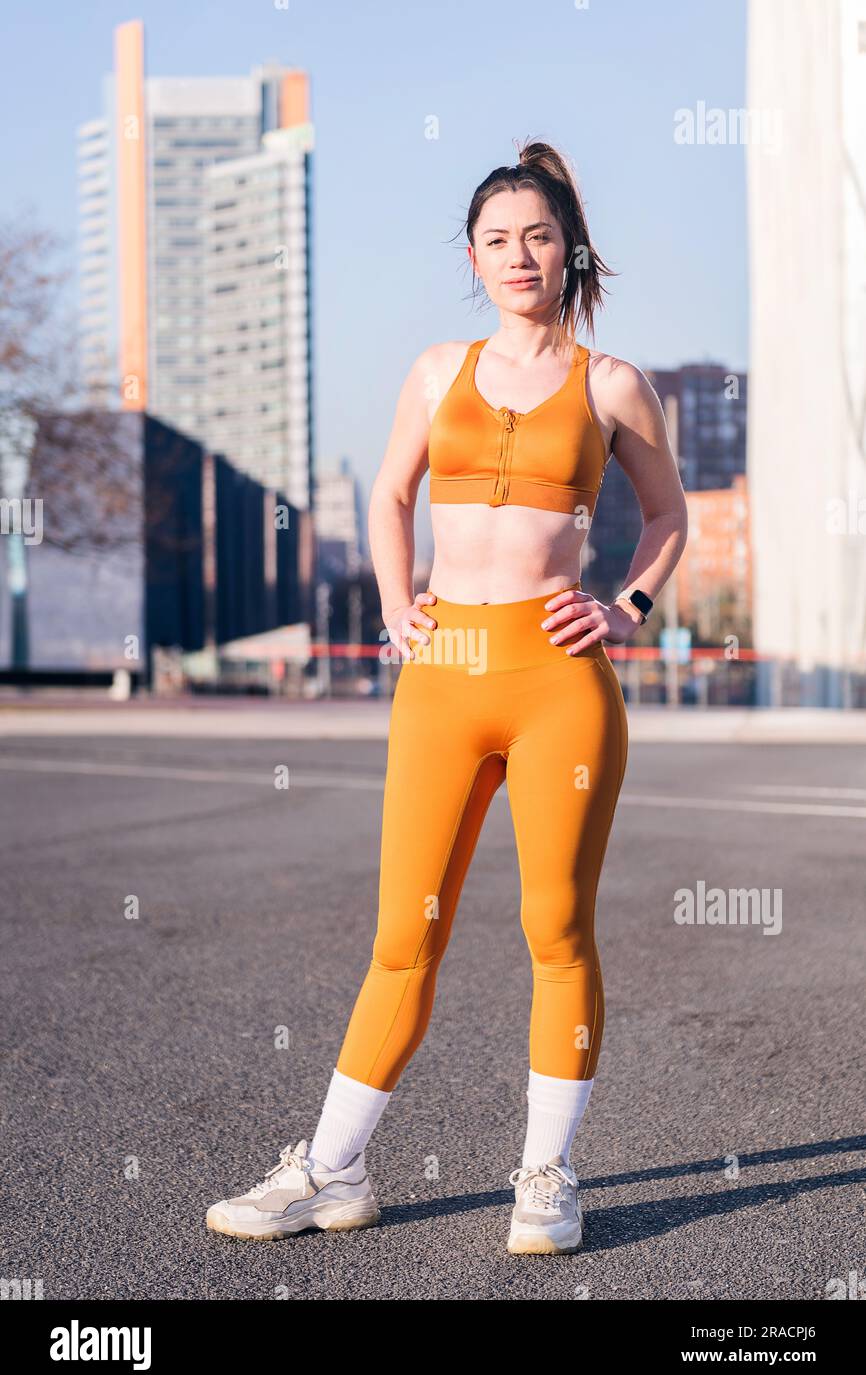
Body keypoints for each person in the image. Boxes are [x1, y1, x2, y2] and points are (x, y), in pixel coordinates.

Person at [207, 139, 688, 1254]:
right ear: (470, 257)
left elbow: (668, 517)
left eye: (536, 236)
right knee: (401, 934)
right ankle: (331, 1170)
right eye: (494, 240)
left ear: (570, 250)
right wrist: (393, 607)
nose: (516, 256)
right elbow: (387, 493)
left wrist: (628, 606)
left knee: (554, 928)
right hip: (441, 678)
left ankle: (546, 1175)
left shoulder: (611, 383)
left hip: (557, 678)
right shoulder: (435, 369)